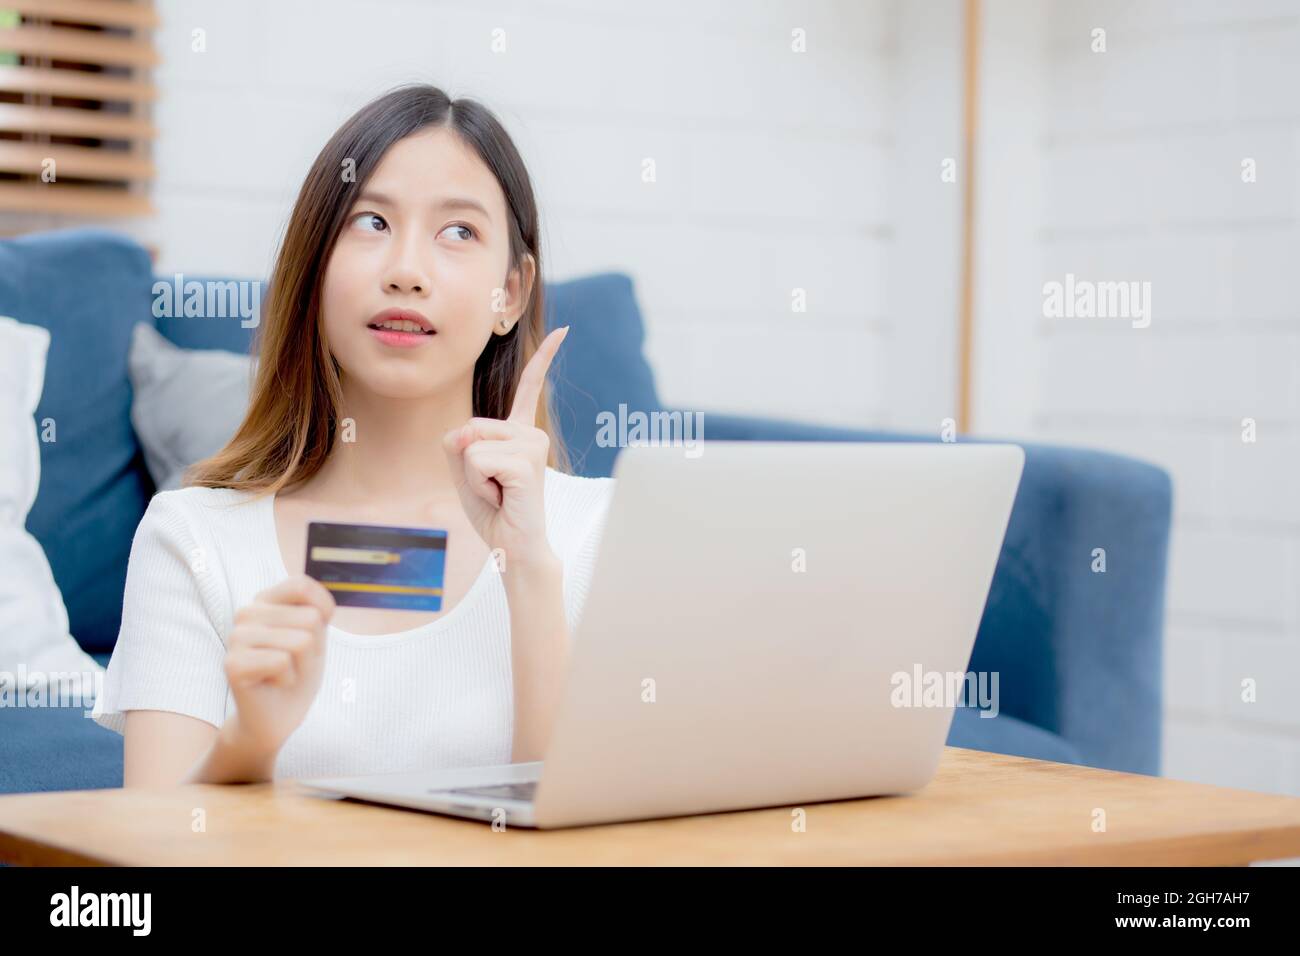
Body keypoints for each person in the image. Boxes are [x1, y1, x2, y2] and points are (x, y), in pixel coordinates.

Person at [90, 84, 616, 786]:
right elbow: (145, 862)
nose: (406, 272)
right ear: (315, 267)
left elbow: (592, 845)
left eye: (458, 232)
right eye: (370, 222)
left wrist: (528, 572)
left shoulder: (601, 534)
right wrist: (251, 742)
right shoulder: (193, 540)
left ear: (511, 295)